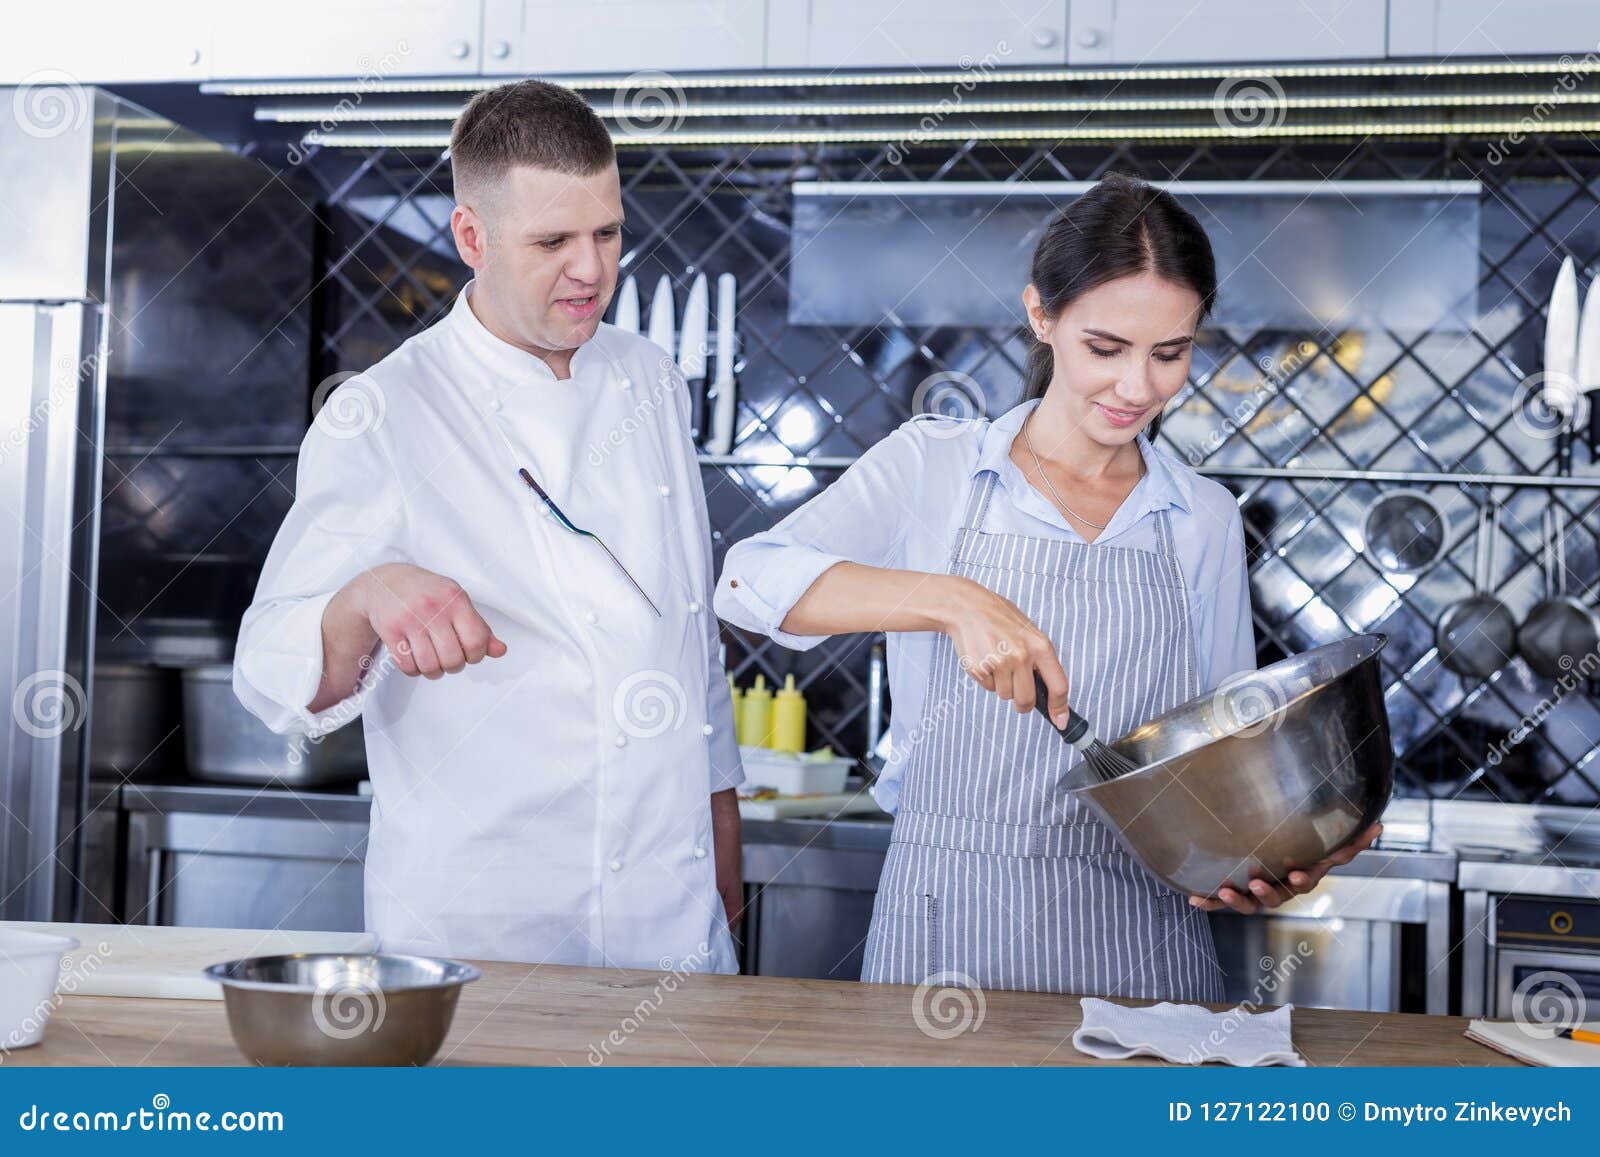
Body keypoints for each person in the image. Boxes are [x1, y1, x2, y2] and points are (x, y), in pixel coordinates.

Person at [714, 173, 1378, 1000]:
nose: (1137, 387)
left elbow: (1221, 767)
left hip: (1143, 950)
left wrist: (1271, 857)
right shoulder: (938, 466)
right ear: (1041, 315)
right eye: (1106, 348)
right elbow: (744, 581)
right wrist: (951, 599)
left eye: (1169, 354)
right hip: (945, 930)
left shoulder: (1199, 516)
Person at [234, 80, 743, 972]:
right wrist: (365, 596)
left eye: (608, 233)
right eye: (552, 241)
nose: (590, 269)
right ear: (472, 237)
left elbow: (688, 642)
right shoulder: (386, 411)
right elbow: (267, 672)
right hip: (484, 934)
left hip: (670, 926)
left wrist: (722, 859)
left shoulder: (650, 378)